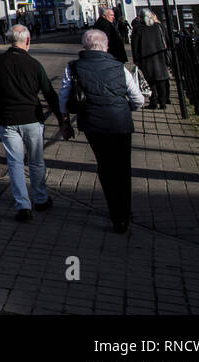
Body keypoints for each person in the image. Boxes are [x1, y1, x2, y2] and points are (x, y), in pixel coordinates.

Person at [60, 28, 146, 234]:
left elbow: (63, 97)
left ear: (85, 46)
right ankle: (124, 212)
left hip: (93, 125)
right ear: (106, 46)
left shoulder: (73, 68)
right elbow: (138, 99)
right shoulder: (119, 67)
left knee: (105, 166)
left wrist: (65, 122)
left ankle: (115, 212)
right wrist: (127, 109)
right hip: (120, 123)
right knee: (123, 168)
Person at [0, 24, 65, 221]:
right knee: (36, 161)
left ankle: (22, 206)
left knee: (15, 163)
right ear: (27, 41)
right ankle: (41, 199)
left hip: (8, 118)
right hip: (32, 118)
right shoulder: (34, 64)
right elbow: (49, 93)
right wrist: (62, 118)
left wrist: (0, 103)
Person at [131, 11, 171, 108]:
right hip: (159, 56)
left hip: (146, 57)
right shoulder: (157, 27)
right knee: (161, 79)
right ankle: (163, 102)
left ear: (140, 18)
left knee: (150, 80)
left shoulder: (138, 29)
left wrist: (136, 59)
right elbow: (164, 41)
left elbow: (135, 46)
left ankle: (153, 102)